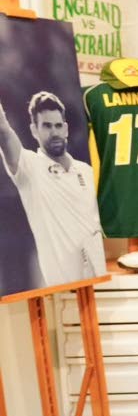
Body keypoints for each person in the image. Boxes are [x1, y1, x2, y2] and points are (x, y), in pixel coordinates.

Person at [0, 92, 106, 287]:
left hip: (98, 277)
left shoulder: (87, 171)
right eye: (46, 126)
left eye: (58, 126)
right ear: (34, 130)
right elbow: (3, 130)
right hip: (62, 287)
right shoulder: (29, 168)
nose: (54, 132)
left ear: (66, 128)